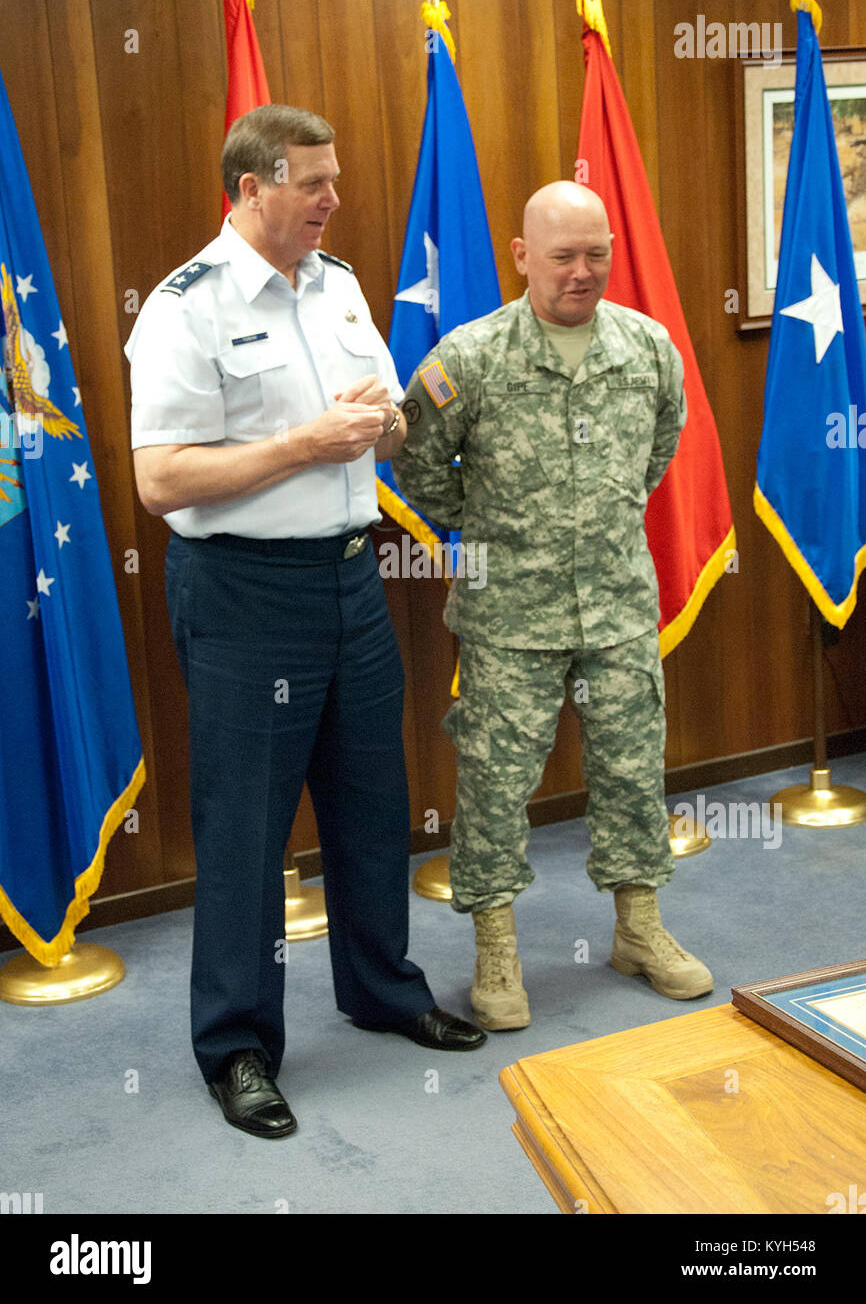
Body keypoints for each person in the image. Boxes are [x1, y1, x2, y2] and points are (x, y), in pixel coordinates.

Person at [125, 104, 485, 1140]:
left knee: (373, 799)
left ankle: (382, 987)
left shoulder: (338, 285)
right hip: (243, 594)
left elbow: (384, 418)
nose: (334, 199)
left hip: (347, 579)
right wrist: (308, 441)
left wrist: (385, 423)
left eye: (335, 180)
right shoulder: (182, 308)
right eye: (313, 183)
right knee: (245, 826)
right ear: (250, 189)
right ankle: (236, 1045)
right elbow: (161, 480)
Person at [392, 181, 713, 1031]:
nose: (582, 271)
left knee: (633, 771)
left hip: (617, 605)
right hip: (510, 617)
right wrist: (495, 526)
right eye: (563, 255)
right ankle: (496, 949)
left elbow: (658, 450)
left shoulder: (648, 348)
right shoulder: (468, 357)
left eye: (596, 253)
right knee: (496, 785)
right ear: (522, 256)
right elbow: (418, 465)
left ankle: (639, 928)